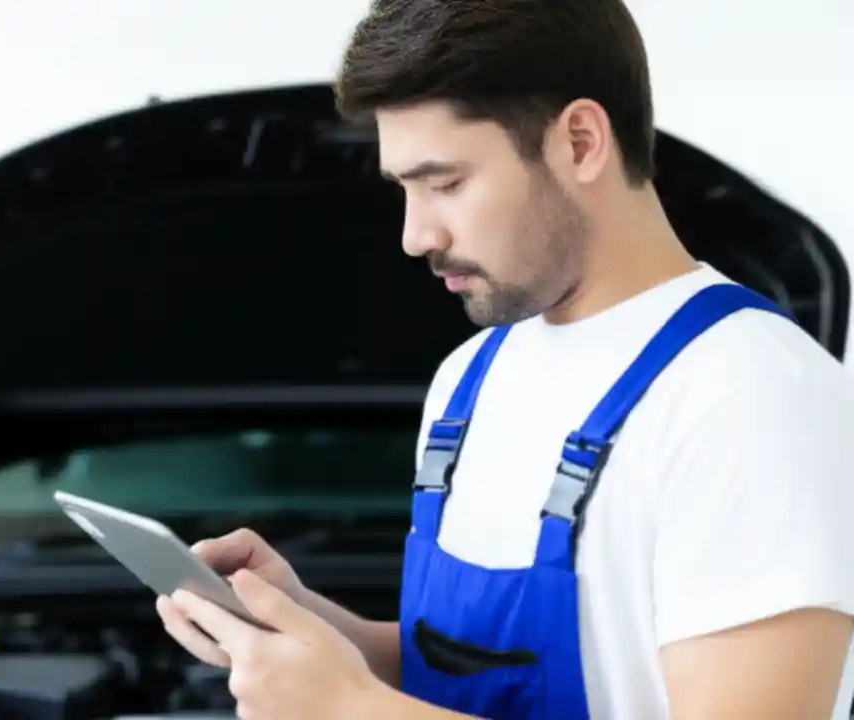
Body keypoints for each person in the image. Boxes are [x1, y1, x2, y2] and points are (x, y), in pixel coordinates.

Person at [154, 1, 854, 718]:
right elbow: (470, 678)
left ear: (580, 142)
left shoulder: (751, 397)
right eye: (404, 189)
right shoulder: (469, 379)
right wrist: (313, 632)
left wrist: (350, 710)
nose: (415, 236)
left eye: (446, 183)